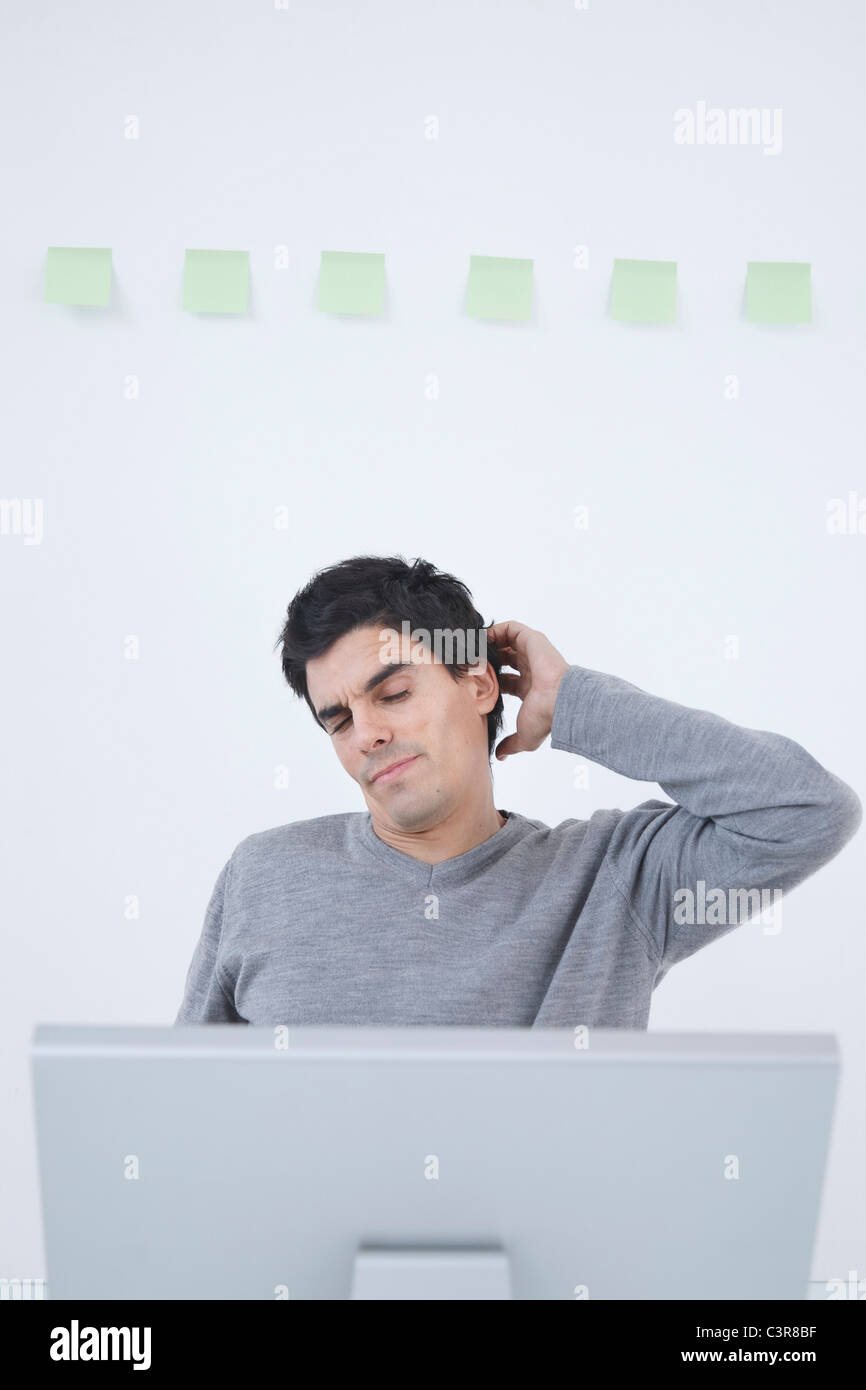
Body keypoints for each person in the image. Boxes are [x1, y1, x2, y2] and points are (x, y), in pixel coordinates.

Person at [175, 554, 861, 1028]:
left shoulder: (614, 879)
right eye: (339, 720)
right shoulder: (263, 876)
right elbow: (186, 1112)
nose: (367, 735)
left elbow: (808, 809)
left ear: (479, 684)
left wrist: (573, 700)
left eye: (395, 693)